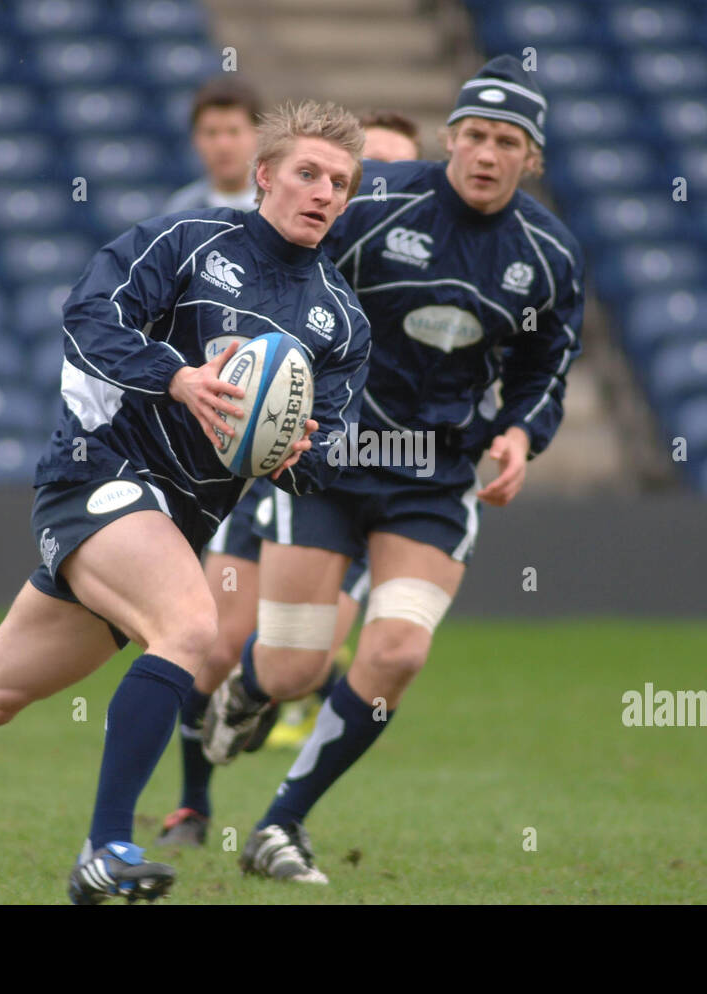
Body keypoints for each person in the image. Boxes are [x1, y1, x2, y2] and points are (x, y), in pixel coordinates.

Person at [0, 101, 372, 904]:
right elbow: (88, 316)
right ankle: (104, 852)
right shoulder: (186, 241)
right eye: (307, 172)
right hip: (99, 475)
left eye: (340, 181)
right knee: (190, 627)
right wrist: (176, 376)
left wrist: (297, 454)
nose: (323, 190)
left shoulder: (344, 321)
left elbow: (332, 450)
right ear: (264, 176)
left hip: (176, 525)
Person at [202, 56, 586, 884]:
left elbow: (547, 363)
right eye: (475, 135)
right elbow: (282, 265)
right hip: (331, 464)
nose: (487, 153)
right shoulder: (376, 200)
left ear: (531, 158)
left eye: (507, 141)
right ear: (450, 137)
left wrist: (522, 432)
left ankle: (280, 825)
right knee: (297, 666)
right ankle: (243, 693)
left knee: (398, 652)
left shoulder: (549, 253)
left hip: (436, 479)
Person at [156, 110, 426, 849]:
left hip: (373, 476)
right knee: (212, 640)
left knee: (300, 666)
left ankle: (258, 700)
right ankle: (192, 806)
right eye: (374, 175)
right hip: (284, 463)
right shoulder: (289, 247)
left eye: (399, 175)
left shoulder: (429, 266)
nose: (379, 193)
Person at [164, 77, 262, 213]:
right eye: (211, 133)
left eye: (234, 132)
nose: (223, 145)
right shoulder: (180, 212)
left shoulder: (281, 208)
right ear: (195, 139)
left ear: (258, 134)